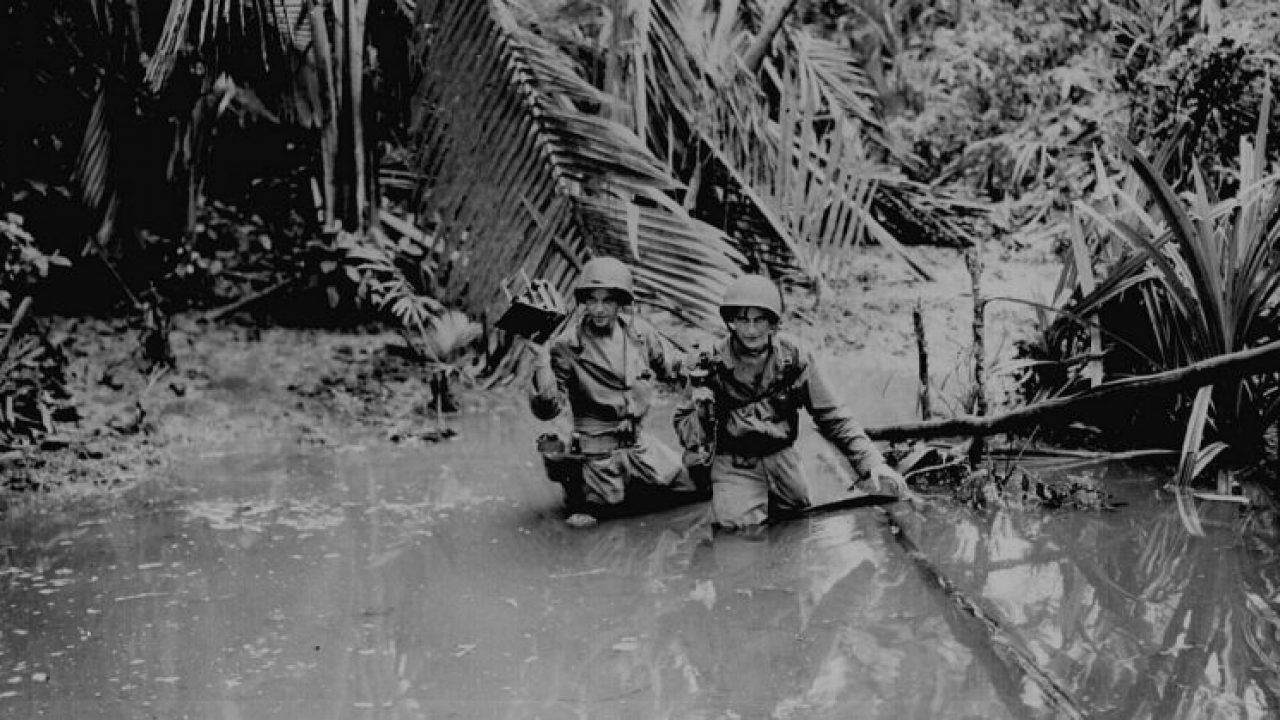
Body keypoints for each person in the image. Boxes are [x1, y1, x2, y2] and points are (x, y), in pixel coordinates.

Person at [673, 274, 911, 529]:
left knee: (799, 524)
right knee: (737, 535)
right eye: (742, 320)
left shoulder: (794, 358)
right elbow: (685, 430)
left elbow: (834, 416)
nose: (751, 330)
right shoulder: (708, 363)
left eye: (759, 320)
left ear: (773, 323)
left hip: (782, 458)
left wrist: (873, 463)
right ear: (731, 321)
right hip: (734, 464)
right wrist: (701, 408)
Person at [529, 256, 706, 527]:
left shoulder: (640, 334)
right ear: (584, 302)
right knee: (600, 520)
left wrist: (696, 364)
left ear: (620, 302)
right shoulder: (567, 346)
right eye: (592, 300)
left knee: (699, 489)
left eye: (608, 301)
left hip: (639, 446)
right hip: (598, 452)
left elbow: (671, 367)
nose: (599, 309)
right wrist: (542, 360)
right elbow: (548, 409)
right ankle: (579, 488)